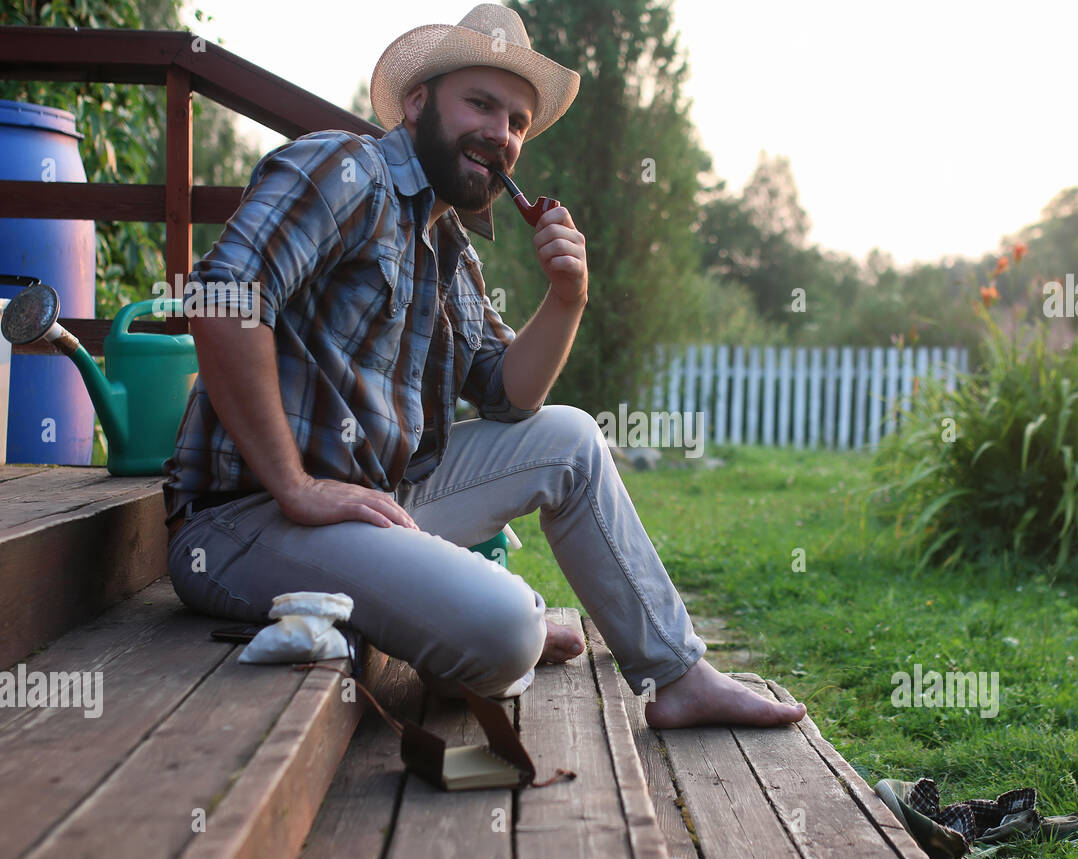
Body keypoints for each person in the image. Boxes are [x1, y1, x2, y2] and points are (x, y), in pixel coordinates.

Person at [161, 3, 805, 729]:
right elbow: (222, 297)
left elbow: (509, 394)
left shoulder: (449, 247)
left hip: (373, 502)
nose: (500, 134)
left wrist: (569, 298)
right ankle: (476, 620)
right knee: (506, 629)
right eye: (482, 103)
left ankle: (678, 673)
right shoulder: (347, 170)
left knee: (571, 439)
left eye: (519, 122)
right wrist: (297, 486)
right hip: (245, 523)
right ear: (416, 102)